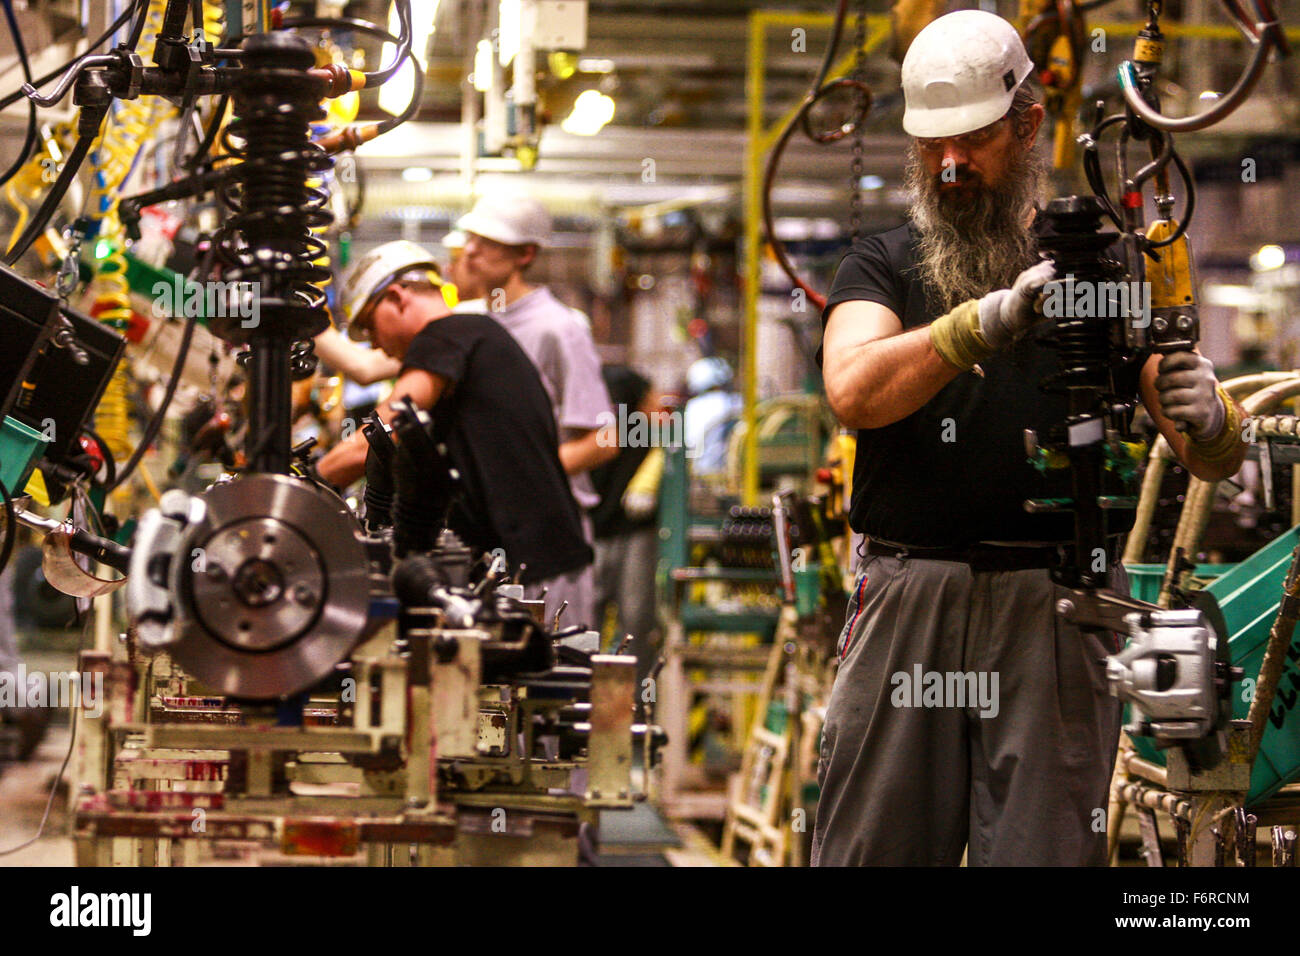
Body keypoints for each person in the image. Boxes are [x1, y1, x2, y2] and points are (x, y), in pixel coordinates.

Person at [813, 10, 1246, 866]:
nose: (950, 165)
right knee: (876, 849)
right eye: (932, 147)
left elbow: (1201, 451)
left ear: (1028, 123)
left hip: (1056, 609)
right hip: (913, 593)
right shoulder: (883, 262)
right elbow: (853, 391)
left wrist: (1217, 418)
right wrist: (977, 324)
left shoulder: (1110, 269)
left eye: (973, 141)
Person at [314, 241, 592, 622]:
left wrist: (308, 483)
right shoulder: (471, 335)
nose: (375, 343)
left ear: (396, 297)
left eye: (368, 326)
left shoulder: (447, 334)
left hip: (535, 571)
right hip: (532, 560)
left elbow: (386, 431)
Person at [452, 191, 616, 627]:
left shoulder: (558, 329)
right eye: (471, 238)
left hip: (548, 536)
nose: (471, 250)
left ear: (525, 254)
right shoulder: (471, 322)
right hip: (492, 530)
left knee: (553, 666)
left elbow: (603, 439)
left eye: (488, 242)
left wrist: (523, 478)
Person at [589, 365, 663, 708]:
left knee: (628, 622)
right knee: (625, 621)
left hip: (622, 535)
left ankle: (625, 709)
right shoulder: (632, 431)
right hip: (607, 535)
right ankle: (623, 709)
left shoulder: (637, 432)